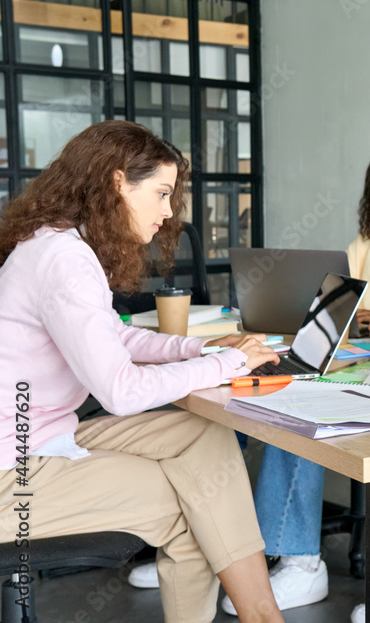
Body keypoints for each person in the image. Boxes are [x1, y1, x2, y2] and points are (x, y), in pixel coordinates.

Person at [127, 136, 370, 612]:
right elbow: (337, 300)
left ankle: (298, 561)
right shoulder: (368, 242)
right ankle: (203, 551)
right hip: (349, 357)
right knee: (233, 407)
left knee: (295, 414)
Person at [0, 121, 284, 622]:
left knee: (203, 434)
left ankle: (263, 613)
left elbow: (116, 336)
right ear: (116, 183)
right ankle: (263, 615)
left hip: (40, 438)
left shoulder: (60, 243)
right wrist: (228, 363)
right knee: (195, 507)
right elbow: (121, 391)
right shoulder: (63, 259)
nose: (168, 211)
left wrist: (200, 347)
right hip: (13, 474)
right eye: (161, 193)